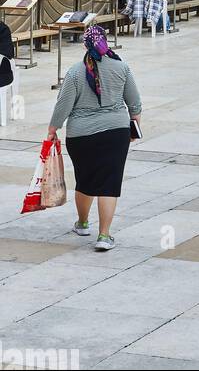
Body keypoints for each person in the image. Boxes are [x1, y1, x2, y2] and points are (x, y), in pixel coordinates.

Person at [47, 25, 141, 251]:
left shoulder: (74, 72)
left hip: (81, 136)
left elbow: (63, 106)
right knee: (109, 184)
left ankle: (82, 224)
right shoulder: (122, 67)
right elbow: (135, 104)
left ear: (85, 46)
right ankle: (104, 236)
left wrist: (53, 129)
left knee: (85, 180)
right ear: (105, 42)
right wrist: (135, 128)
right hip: (116, 133)